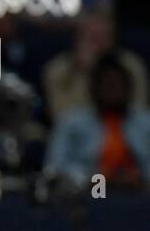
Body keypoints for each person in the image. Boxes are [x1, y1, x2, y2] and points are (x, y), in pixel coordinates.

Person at [46, 53, 150, 189]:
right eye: (108, 85)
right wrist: (94, 177)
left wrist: (139, 176)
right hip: (89, 196)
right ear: (94, 88)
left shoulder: (146, 123)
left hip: (141, 195)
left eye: (118, 85)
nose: (113, 91)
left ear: (129, 87)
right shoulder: (71, 123)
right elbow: (53, 167)